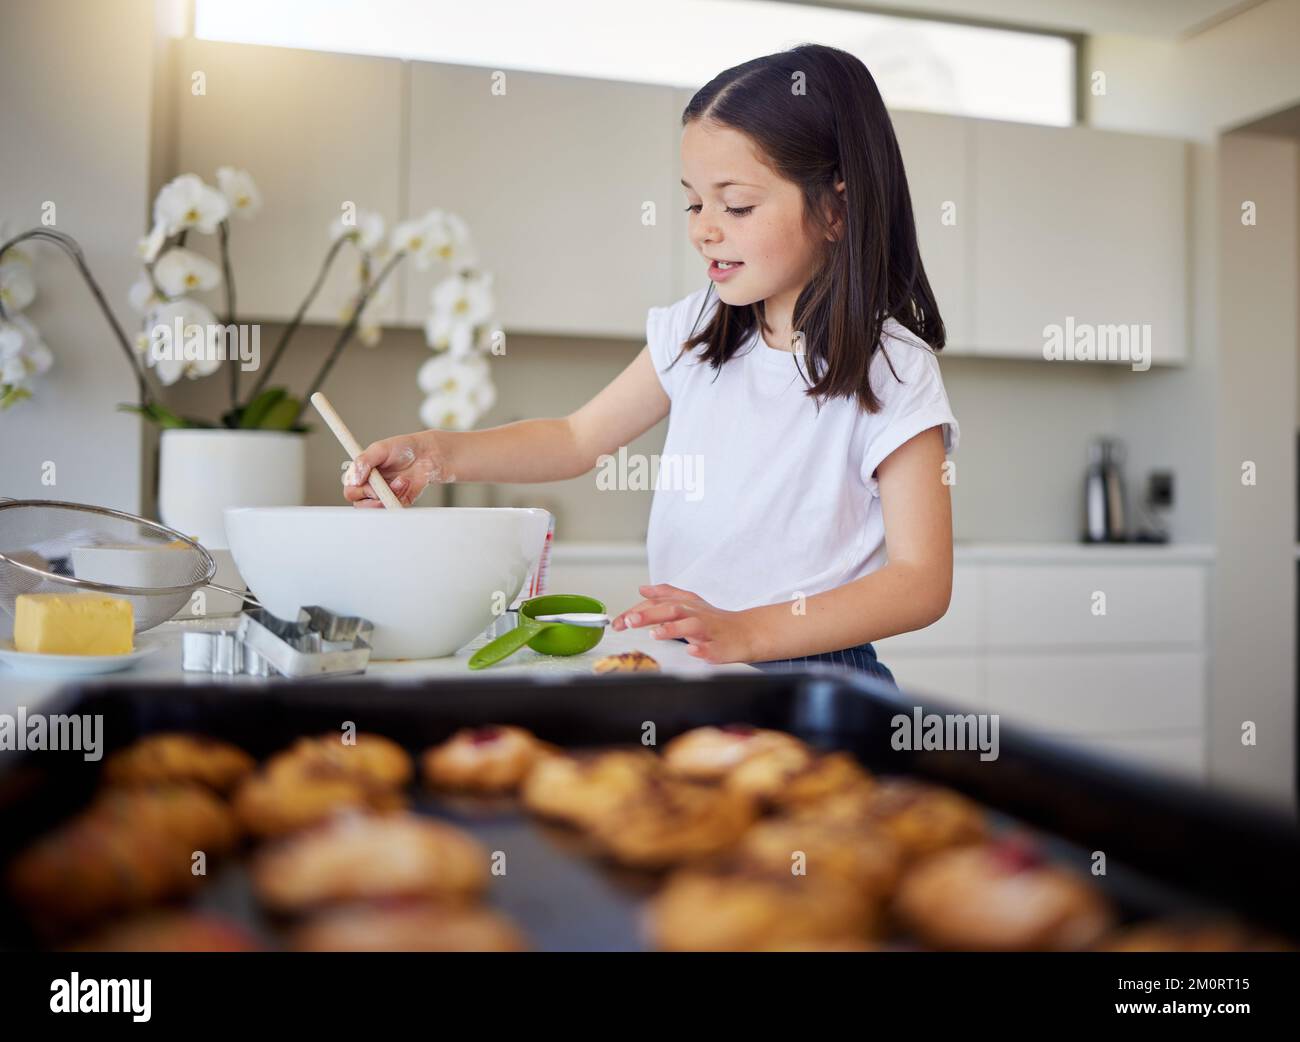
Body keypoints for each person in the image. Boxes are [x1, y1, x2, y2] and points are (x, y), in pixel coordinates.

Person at [343, 44, 960, 685]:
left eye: (737, 206)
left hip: (816, 677)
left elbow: (921, 582)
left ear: (836, 208)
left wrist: (748, 630)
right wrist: (437, 453)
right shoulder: (696, 332)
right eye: (694, 204)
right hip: (691, 664)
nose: (703, 230)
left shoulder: (895, 369)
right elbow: (577, 439)